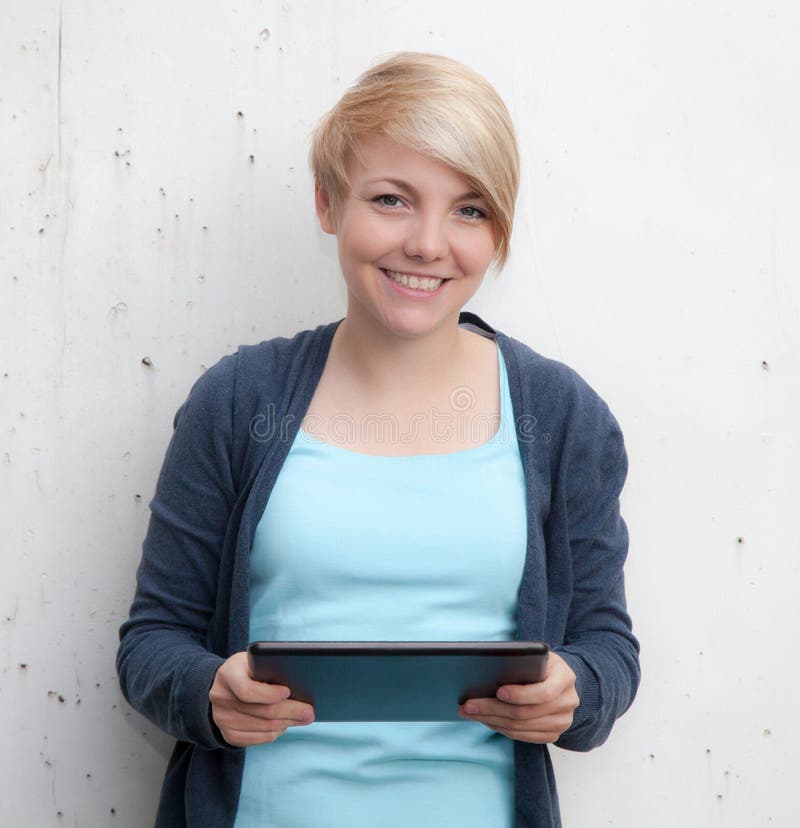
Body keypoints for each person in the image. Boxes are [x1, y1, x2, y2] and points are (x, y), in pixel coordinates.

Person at [116, 52, 640, 828]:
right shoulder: (237, 402)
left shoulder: (562, 417)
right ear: (328, 204)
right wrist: (207, 691)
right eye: (392, 199)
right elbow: (152, 641)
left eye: (470, 209)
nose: (428, 244)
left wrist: (577, 688)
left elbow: (609, 646)